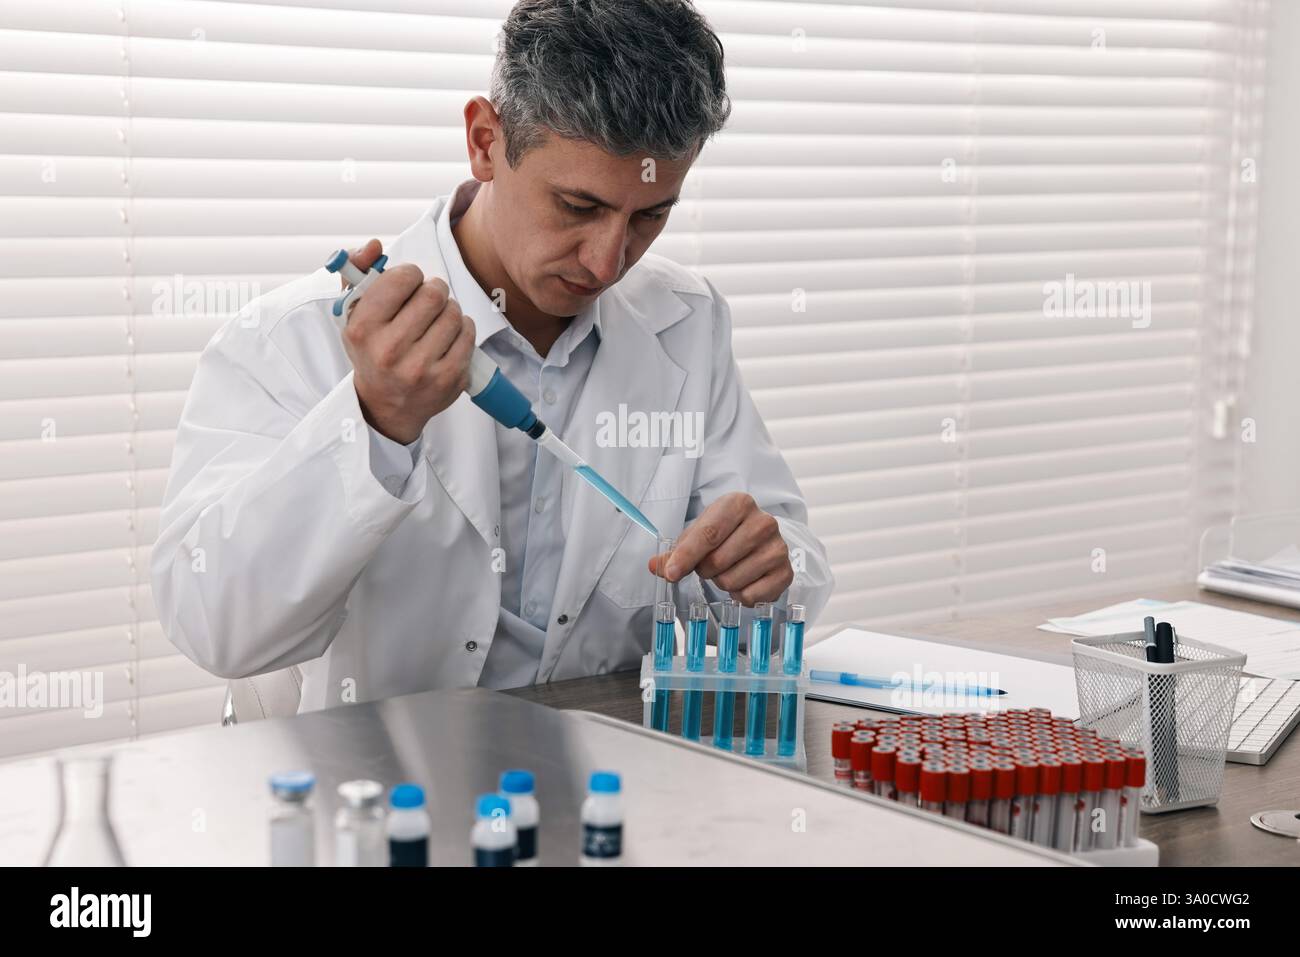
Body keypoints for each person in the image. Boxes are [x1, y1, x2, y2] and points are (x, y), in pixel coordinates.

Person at [150, 0, 834, 712]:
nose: (607, 261)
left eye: (650, 215)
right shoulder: (287, 339)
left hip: (606, 781)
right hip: (370, 794)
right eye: (577, 205)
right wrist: (375, 421)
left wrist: (764, 566)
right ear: (484, 140)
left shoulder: (688, 324)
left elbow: (794, 564)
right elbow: (213, 626)